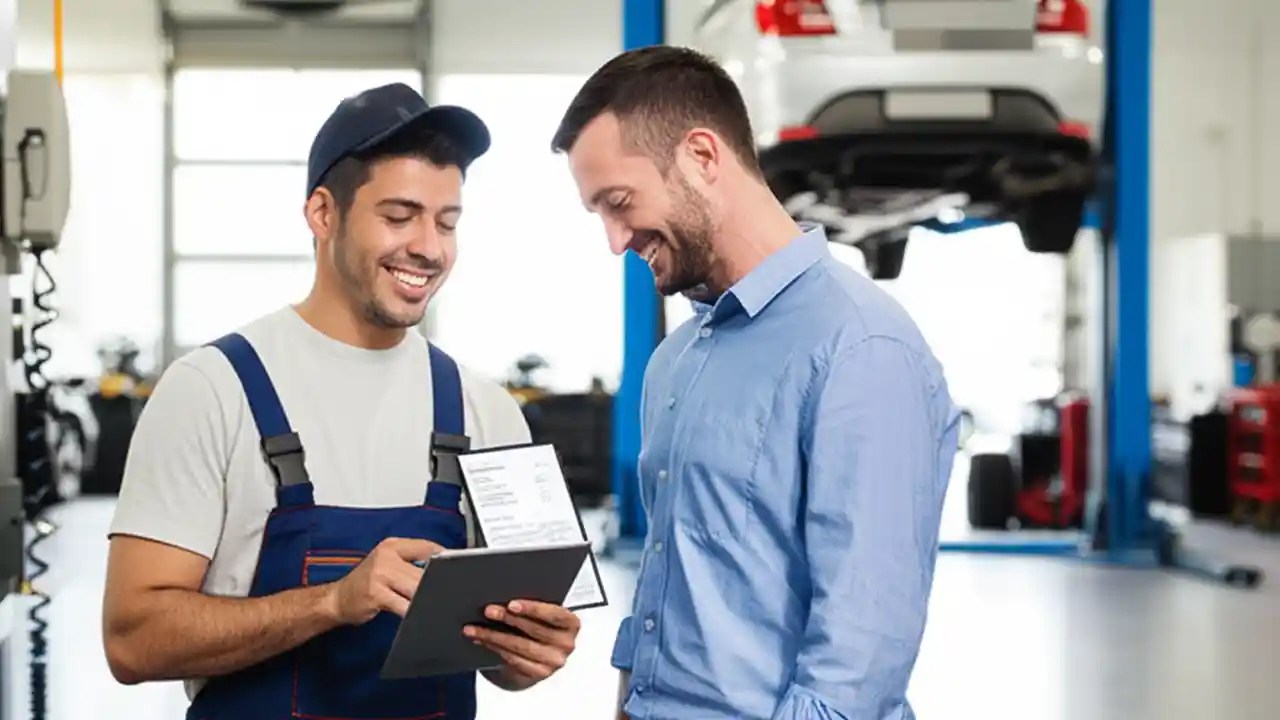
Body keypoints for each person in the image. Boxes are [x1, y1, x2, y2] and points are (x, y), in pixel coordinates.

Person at [102, 82, 580, 719]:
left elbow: (508, 659)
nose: (429, 248)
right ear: (323, 214)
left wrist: (530, 650)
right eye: (399, 216)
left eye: (446, 222)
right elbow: (131, 642)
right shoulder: (209, 391)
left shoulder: (486, 409)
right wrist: (332, 601)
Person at [551, 46, 960, 720]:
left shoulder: (862, 348)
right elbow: (666, 585)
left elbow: (857, 663)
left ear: (701, 157)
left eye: (619, 203)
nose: (615, 240)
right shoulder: (677, 360)